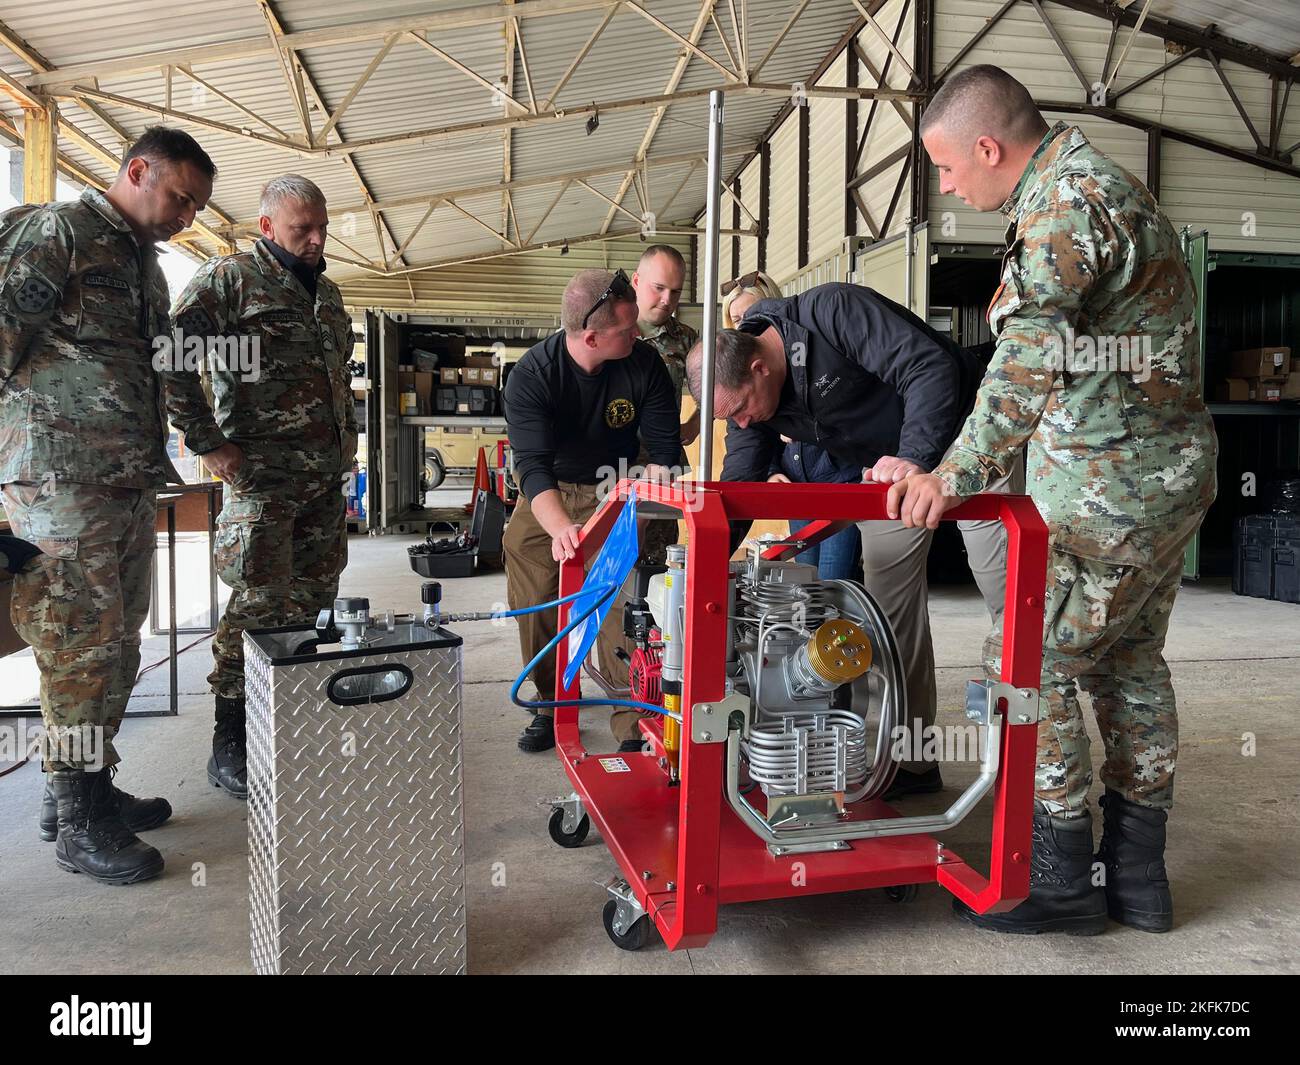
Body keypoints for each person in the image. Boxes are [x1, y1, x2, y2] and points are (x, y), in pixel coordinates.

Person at [889, 64, 1218, 934]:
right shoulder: (1104, 181)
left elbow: (1024, 365)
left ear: (989, 146)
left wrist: (947, 477)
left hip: (1110, 496)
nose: (950, 187)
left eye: (950, 168)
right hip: (1167, 484)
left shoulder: (1062, 205)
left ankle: (1061, 873)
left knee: (1020, 667)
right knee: (1131, 666)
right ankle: (1139, 881)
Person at [685, 281, 1022, 799]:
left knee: (1012, 603)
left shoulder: (833, 313)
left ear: (759, 366)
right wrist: (705, 558)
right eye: (732, 418)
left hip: (969, 449)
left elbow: (930, 367)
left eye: (743, 409)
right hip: (893, 480)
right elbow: (743, 480)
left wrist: (915, 455)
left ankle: (1033, 767)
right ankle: (913, 760)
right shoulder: (751, 398)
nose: (745, 421)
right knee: (888, 618)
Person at [0, 126, 216, 883]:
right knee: (78, 652)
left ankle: (83, 790)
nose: (187, 215)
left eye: (196, 206)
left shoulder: (146, 269)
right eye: (180, 197)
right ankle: (78, 823)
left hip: (124, 483)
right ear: (136, 170)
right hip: (60, 484)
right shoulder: (56, 233)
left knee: (119, 645)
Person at [165, 174, 357, 799]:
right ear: (266, 228)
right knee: (256, 604)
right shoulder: (231, 282)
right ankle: (232, 737)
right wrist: (206, 440)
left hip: (324, 482)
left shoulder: (327, 295)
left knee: (311, 602)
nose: (316, 239)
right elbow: (169, 354)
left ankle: (287, 720)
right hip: (262, 479)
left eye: (322, 227)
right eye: (303, 229)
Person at [504, 268, 681, 754]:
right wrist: (561, 529)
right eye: (627, 330)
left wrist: (648, 492)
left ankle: (633, 720)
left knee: (625, 603)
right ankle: (550, 703)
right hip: (552, 491)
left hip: (622, 488)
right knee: (535, 590)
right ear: (591, 336)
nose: (638, 334)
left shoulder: (644, 365)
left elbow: (666, 452)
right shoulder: (532, 377)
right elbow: (532, 469)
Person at [723, 271, 863, 579]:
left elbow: (847, 418)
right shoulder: (744, 384)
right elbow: (753, 442)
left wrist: (802, 426)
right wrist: (772, 471)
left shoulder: (810, 353)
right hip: (797, 489)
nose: (743, 323)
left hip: (840, 486)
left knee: (834, 580)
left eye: (750, 313)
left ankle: (841, 629)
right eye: (735, 318)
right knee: (803, 579)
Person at [631, 245, 698, 564]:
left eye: (676, 292)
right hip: (610, 457)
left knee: (659, 552)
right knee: (612, 546)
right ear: (636, 281)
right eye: (659, 288)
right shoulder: (610, 330)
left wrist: (697, 423)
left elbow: (717, 386)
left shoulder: (685, 338)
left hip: (662, 457)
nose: (667, 300)